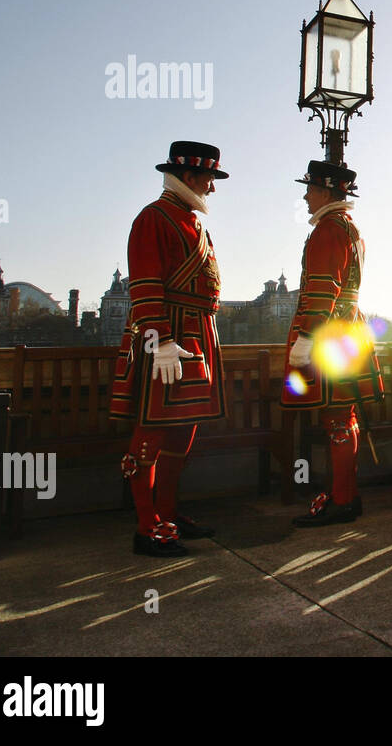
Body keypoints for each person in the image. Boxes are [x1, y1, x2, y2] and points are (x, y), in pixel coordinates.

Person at [110, 141, 228, 557]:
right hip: (167, 338)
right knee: (152, 429)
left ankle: (168, 513)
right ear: (192, 177)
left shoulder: (193, 222)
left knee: (184, 428)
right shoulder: (152, 217)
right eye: (209, 178)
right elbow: (144, 284)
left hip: (196, 336)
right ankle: (146, 526)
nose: (212, 187)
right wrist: (160, 340)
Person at [284, 160, 384, 526]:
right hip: (350, 331)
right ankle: (347, 495)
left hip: (330, 335)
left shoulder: (328, 228)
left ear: (326, 192)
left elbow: (325, 287)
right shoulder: (350, 228)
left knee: (337, 419)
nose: (306, 196)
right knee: (346, 417)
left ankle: (342, 500)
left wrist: (307, 337)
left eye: (309, 189)